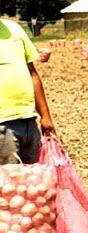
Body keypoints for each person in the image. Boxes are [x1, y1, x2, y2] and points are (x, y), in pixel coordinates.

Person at [0, 15, 56, 164]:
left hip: (29, 122)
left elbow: (33, 74)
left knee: (35, 175)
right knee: (9, 177)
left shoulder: (15, 29)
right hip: (2, 125)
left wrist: (45, 116)